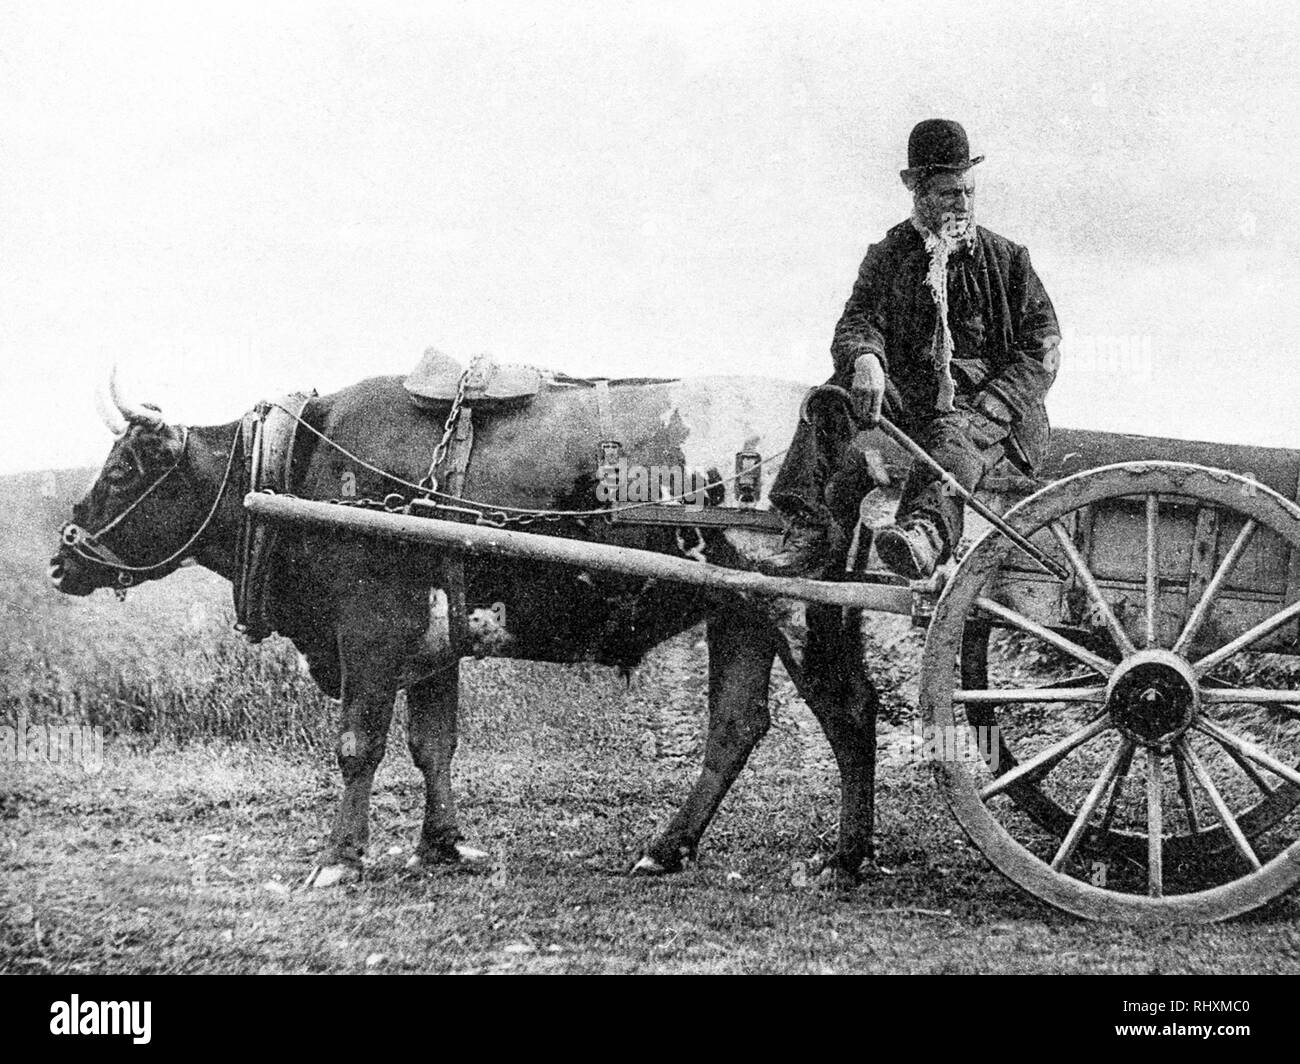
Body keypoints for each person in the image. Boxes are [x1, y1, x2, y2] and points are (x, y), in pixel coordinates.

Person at [760, 119, 1062, 580]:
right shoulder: (889, 254)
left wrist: (997, 404)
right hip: (909, 396)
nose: (962, 205)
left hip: (986, 406)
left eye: (968, 192)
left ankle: (924, 532)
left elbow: (1042, 348)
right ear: (916, 191)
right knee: (829, 401)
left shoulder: (1008, 259)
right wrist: (865, 359)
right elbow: (858, 319)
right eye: (948, 193)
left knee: (952, 441)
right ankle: (809, 530)